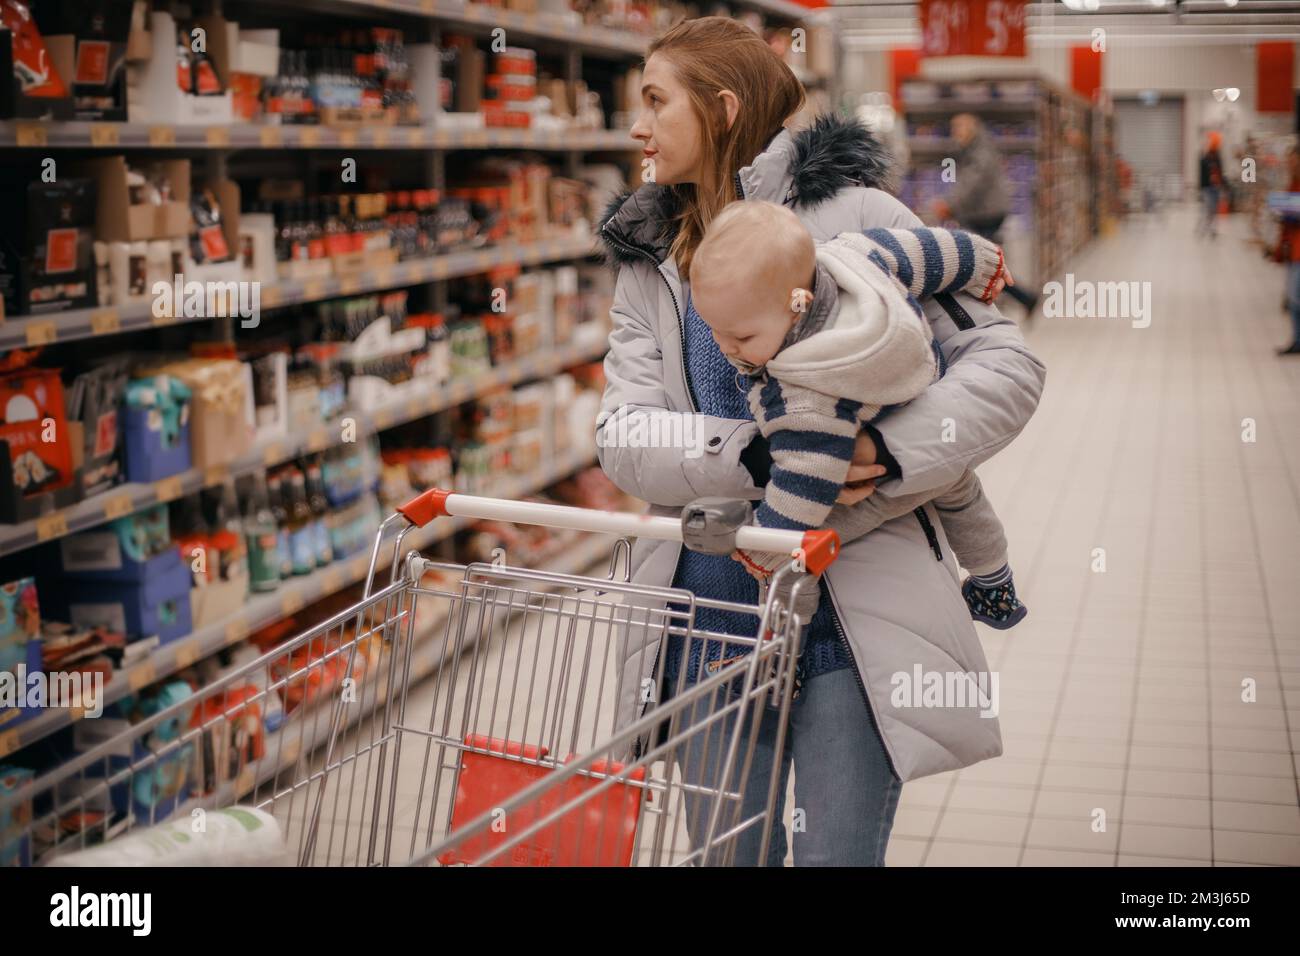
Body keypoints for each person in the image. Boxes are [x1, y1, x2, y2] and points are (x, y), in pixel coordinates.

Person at [596, 16, 1045, 866]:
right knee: (733, 858)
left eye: (655, 100)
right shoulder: (645, 257)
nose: (636, 126)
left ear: (723, 109)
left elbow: (1007, 367)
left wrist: (894, 453)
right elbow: (622, 437)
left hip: (851, 623)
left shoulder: (859, 214)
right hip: (711, 622)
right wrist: (759, 456)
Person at [691, 200, 1028, 636]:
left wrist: (766, 547)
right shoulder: (855, 258)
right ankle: (996, 586)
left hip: (882, 475)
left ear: (799, 304)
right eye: (715, 330)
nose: (726, 348)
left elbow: (803, 488)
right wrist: (982, 263)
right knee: (960, 490)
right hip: (928, 417)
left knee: (800, 553)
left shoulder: (803, 399)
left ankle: (781, 643)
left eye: (741, 336)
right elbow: (926, 251)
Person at [930, 112, 1039, 316]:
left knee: (984, 262)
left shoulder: (980, 150)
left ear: (971, 129)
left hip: (987, 214)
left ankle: (1024, 298)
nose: (955, 133)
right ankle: (1022, 299)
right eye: (954, 128)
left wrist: (950, 203)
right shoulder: (971, 148)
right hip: (980, 212)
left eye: (959, 128)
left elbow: (973, 181)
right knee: (984, 260)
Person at [1273, 147, 1300, 356]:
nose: (1290, 164)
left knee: (1295, 296)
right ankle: (1296, 339)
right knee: (1292, 297)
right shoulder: (1292, 184)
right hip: (1293, 248)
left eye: (1293, 161)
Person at [1198, 130, 1225, 239]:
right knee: (1208, 208)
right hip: (1207, 187)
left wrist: (1222, 184)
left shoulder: (1218, 157)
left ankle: (1212, 229)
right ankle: (1204, 228)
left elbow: (1221, 171)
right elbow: (1202, 172)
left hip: (1216, 187)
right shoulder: (1204, 158)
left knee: (1214, 210)